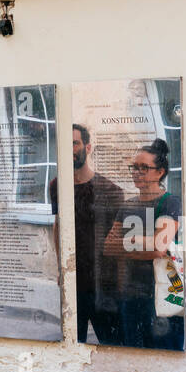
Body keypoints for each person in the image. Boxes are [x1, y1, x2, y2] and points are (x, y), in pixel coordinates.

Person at [104, 138, 184, 350]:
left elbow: (158, 248)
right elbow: (108, 247)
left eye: (144, 168)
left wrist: (129, 244)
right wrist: (141, 246)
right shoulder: (127, 205)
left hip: (161, 298)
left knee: (164, 356)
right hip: (130, 296)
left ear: (160, 172)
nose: (137, 173)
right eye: (135, 167)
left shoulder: (170, 202)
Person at [51, 123, 125, 345]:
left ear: (88, 147)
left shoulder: (110, 190)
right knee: (73, 344)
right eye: (66, 144)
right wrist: (60, 268)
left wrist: (120, 285)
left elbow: (118, 242)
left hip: (104, 285)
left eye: (75, 143)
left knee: (114, 345)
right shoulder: (56, 186)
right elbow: (58, 226)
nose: (70, 149)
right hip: (74, 282)